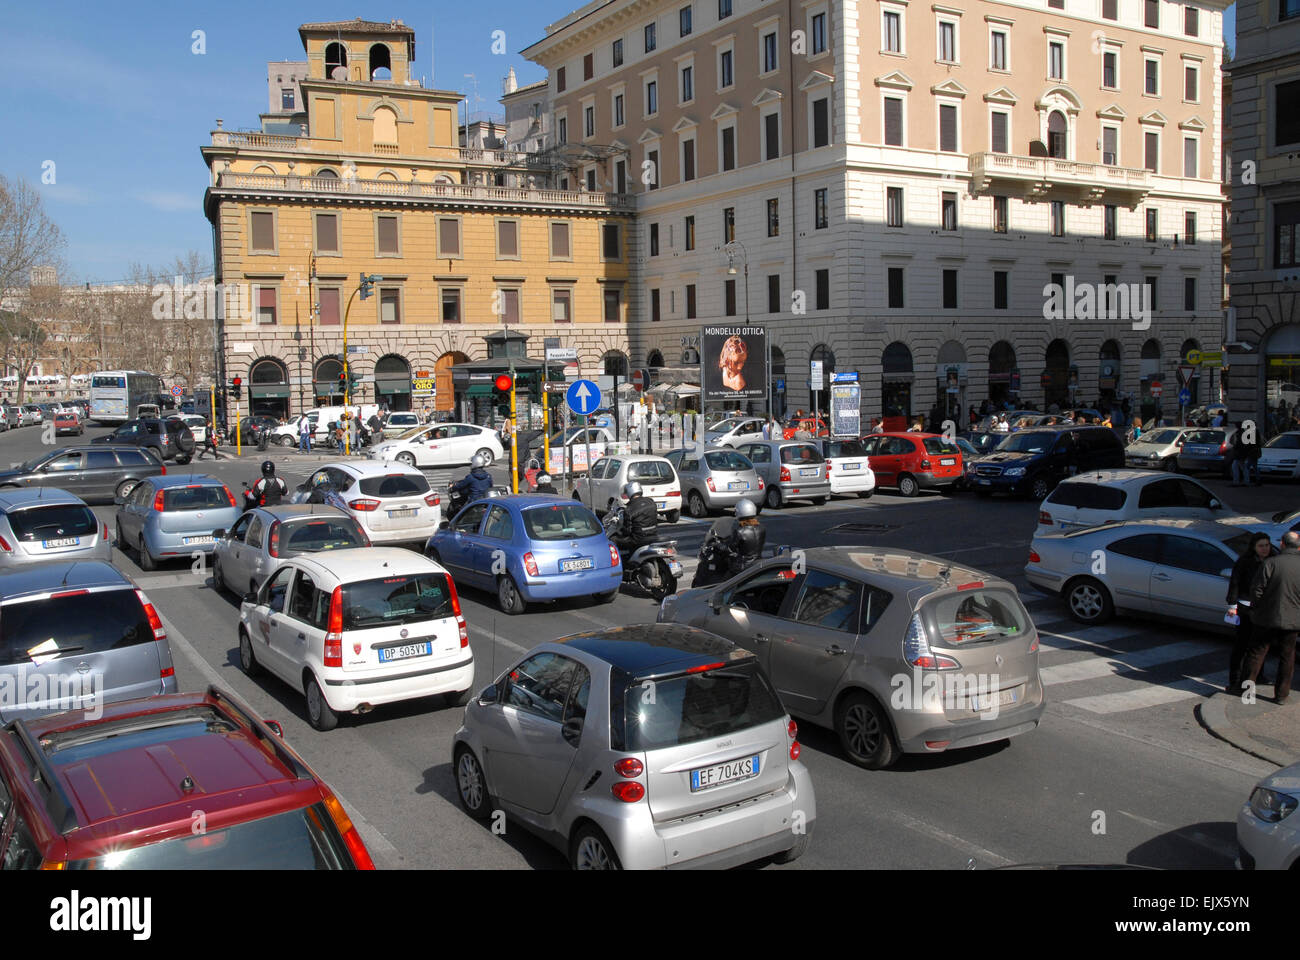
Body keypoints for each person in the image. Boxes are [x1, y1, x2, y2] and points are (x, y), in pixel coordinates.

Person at [1244, 531, 1300, 705]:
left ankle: (1247, 691)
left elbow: (1257, 590)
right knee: (1287, 656)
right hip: (1292, 620)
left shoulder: (1271, 563)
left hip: (1266, 617)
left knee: (1257, 653)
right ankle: (1282, 695)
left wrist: (1256, 609)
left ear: (1282, 544)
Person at [1227, 533, 1279, 694]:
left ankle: (1258, 675)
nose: (1265, 549)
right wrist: (1232, 604)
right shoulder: (1245, 562)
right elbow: (1235, 583)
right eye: (1261, 546)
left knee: (1259, 646)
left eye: (1267, 545)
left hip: (1263, 609)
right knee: (1242, 645)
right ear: (1254, 547)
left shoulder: (1273, 561)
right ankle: (1235, 679)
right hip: (1245, 608)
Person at [692, 499, 766, 587]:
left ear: (741, 512)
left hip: (741, 566)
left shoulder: (740, 531)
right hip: (757, 562)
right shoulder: (762, 528)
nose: (735, 513)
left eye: (736, 511)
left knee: (723, 586)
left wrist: (718, 545)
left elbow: (729, 548)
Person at [608, 481, 659, 555]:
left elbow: (627, 531)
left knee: (613, 539)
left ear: (629, 492)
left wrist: (620, 531)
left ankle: (620, 563)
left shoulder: (629, 509)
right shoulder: (651, 502)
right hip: (654, 535)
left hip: (638, 540)